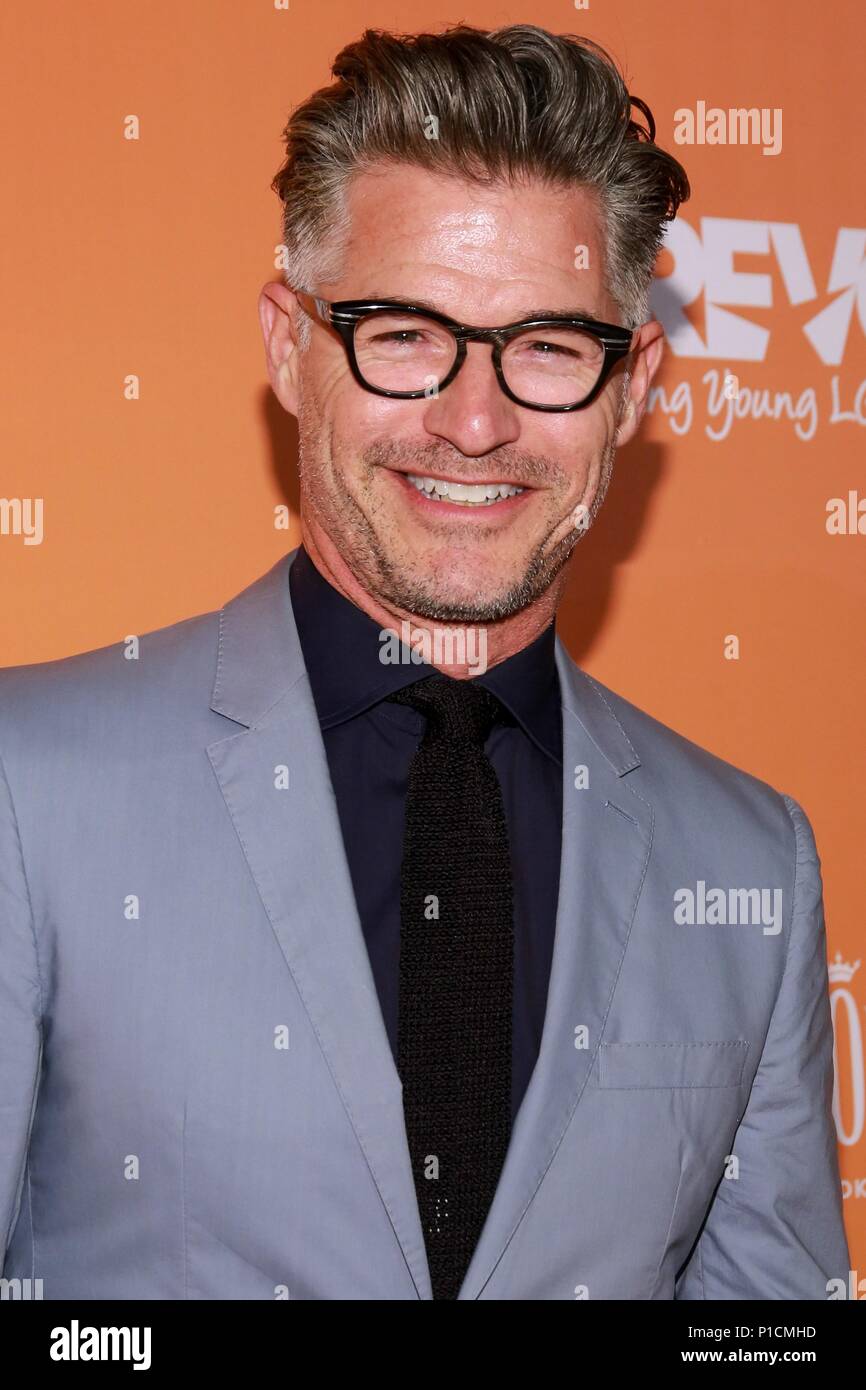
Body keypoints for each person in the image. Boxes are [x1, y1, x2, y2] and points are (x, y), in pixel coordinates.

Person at [0, 23, 848, 1300]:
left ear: (633, 388)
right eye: (403, 334)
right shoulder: (29, 786)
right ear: (290, 346)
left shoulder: (744, 865)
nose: (473, 419)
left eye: (549, 347)